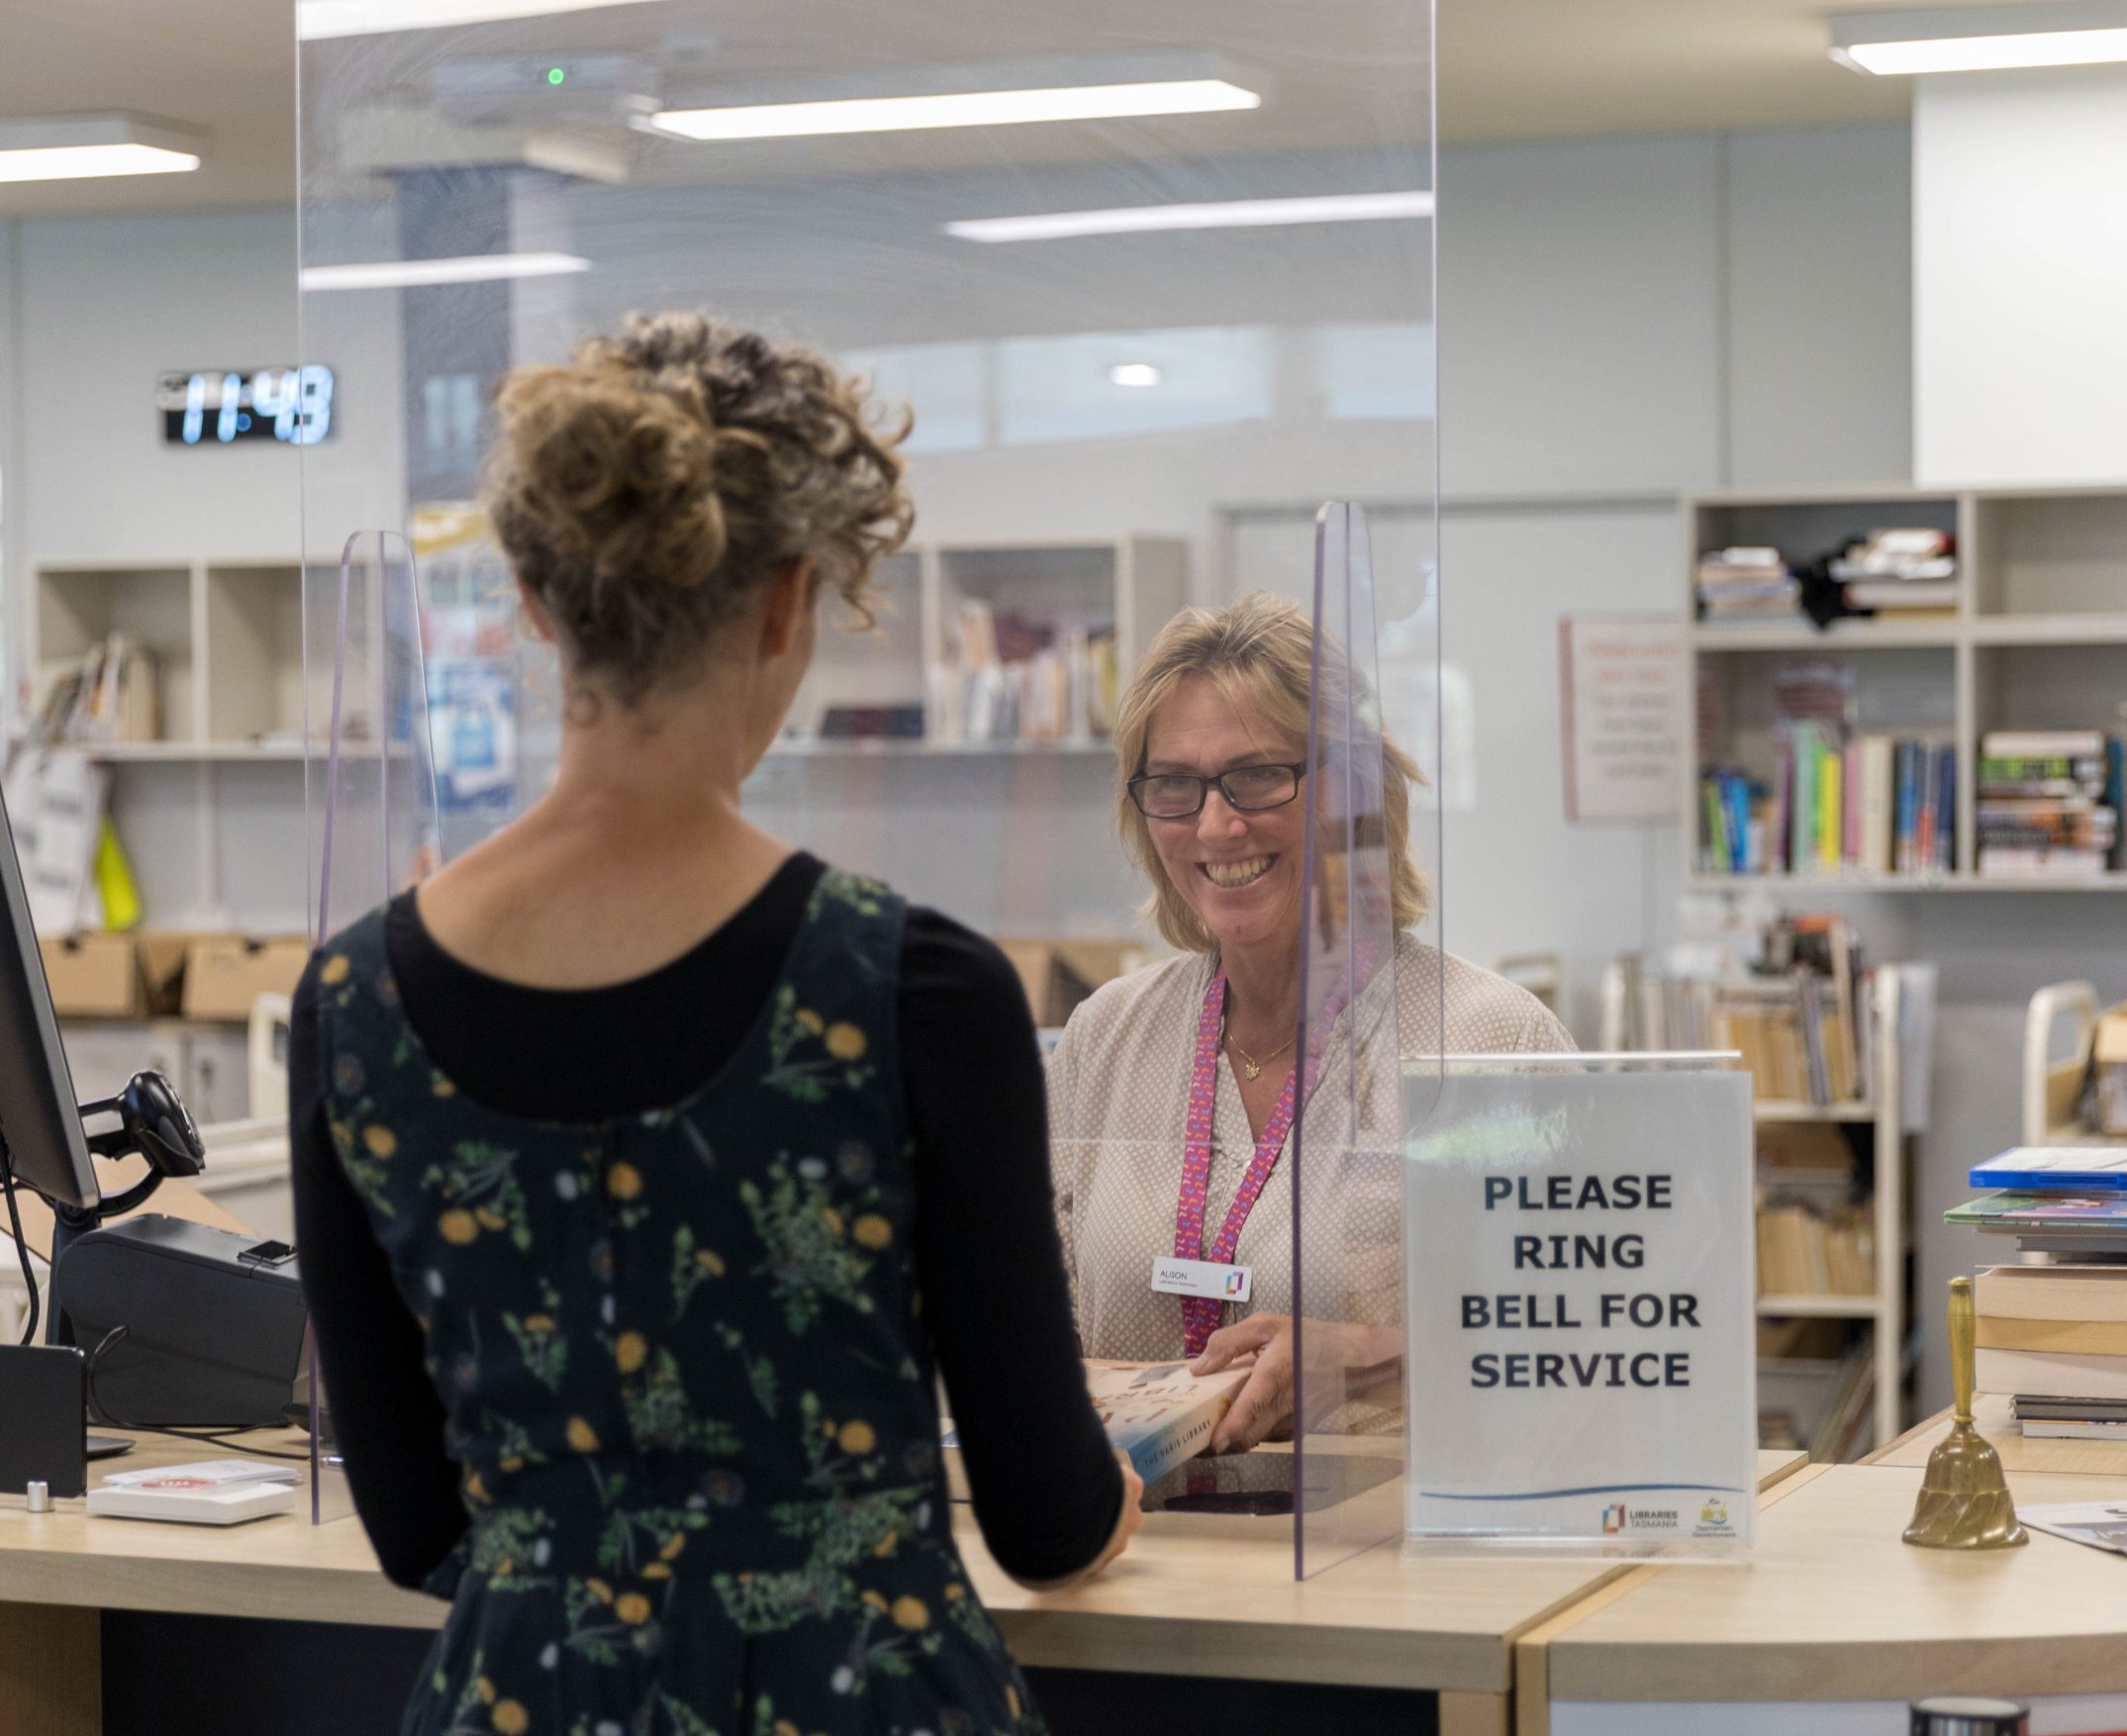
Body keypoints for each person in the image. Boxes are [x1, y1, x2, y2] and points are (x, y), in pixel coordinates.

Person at [290, 312, 1138, 1736]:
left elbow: (414, 1526)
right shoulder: (912, 991)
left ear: (537, 601)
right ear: (785, 603)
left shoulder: (355, 1005)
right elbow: (1049, 1520)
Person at [1043, 594, 1576, 1454]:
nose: (1218, 824)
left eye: (1257, 775)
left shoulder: (1494, 1047)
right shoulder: (1105, 1041)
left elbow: (1582, 1350)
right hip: (1139, 1550)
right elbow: (1037, 1328)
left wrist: (1366, 1361)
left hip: (1378, 1559)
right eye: (1176, 785)